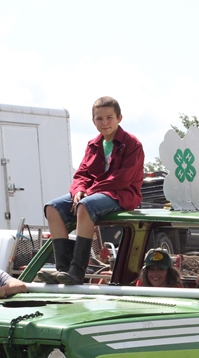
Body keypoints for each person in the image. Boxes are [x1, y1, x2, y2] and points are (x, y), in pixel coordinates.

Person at [41, 96, 145, 285]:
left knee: (85, 206)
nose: (104, 123)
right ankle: (62, 270)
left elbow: (122, 179)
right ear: (93, 121)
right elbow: (81, 174)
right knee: (52, 208)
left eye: (109, 117)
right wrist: (79, 190)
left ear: (119, 118)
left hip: (122, 194)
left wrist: (89, 192)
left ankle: (77, 271)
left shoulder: (132, 144)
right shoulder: (93, 144)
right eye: (99, 118)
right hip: (94, 194)